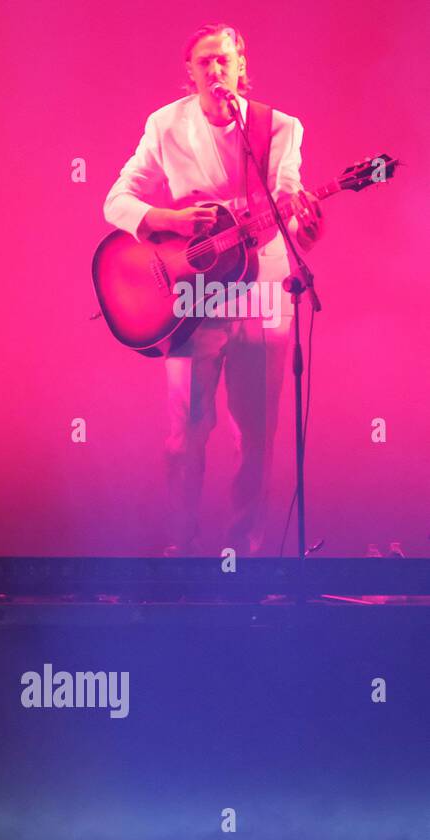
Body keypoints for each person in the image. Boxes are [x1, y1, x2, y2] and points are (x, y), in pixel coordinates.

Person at [103, 23, 325, 556]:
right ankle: (180, 551)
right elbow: (116, 201)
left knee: (256, 439)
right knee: (184, 435)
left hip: (261, 292)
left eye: (224, 61)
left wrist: (306, 234)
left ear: (241, 67)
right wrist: (171, 220)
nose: (215, 71)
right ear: (190, 74)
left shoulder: (280, 128)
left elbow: (287, 204)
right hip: (192, 295)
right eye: (204, 62)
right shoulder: (165, 125)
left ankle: (245, 557)